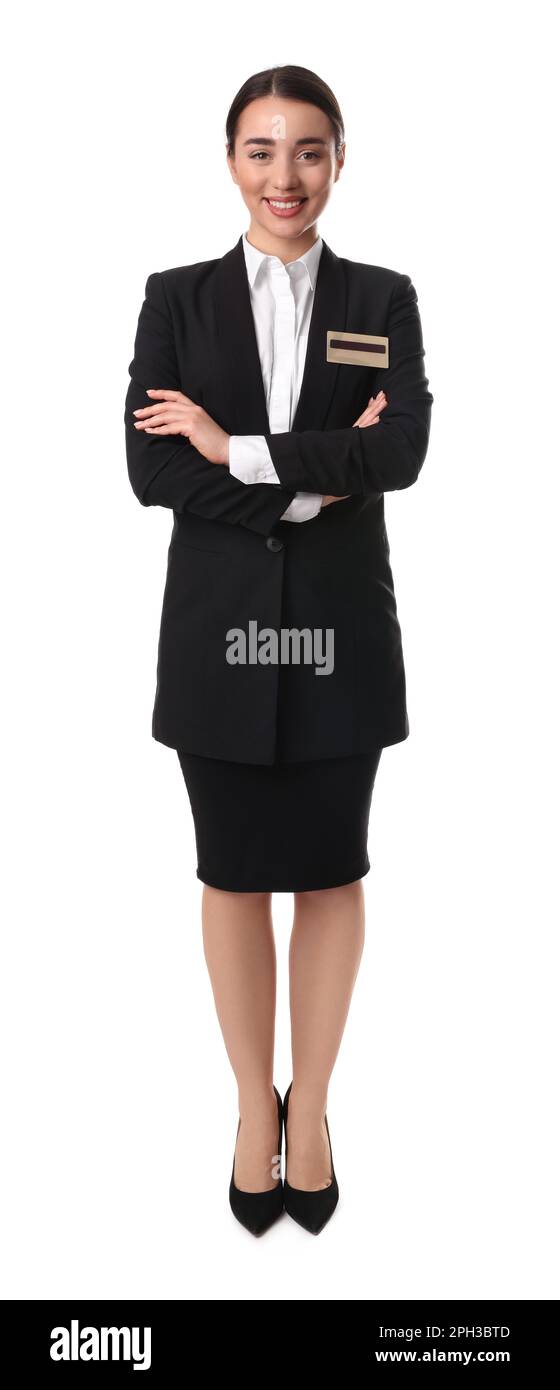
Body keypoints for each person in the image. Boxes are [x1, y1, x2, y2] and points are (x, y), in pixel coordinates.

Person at [124, 64, 433, 1236]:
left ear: (338, 161)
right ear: (230, 162)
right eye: (261, 150)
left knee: (330, 863)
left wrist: (238, 453)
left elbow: (396, 453)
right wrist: (314, 474)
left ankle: (316, 1113)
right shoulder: (175, 298)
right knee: (232, 869)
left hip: (339, 634)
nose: (284, 175)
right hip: (219, 638)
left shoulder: (383, 297)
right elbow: (152, 468)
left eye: (307, 150)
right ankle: (255, 1105)